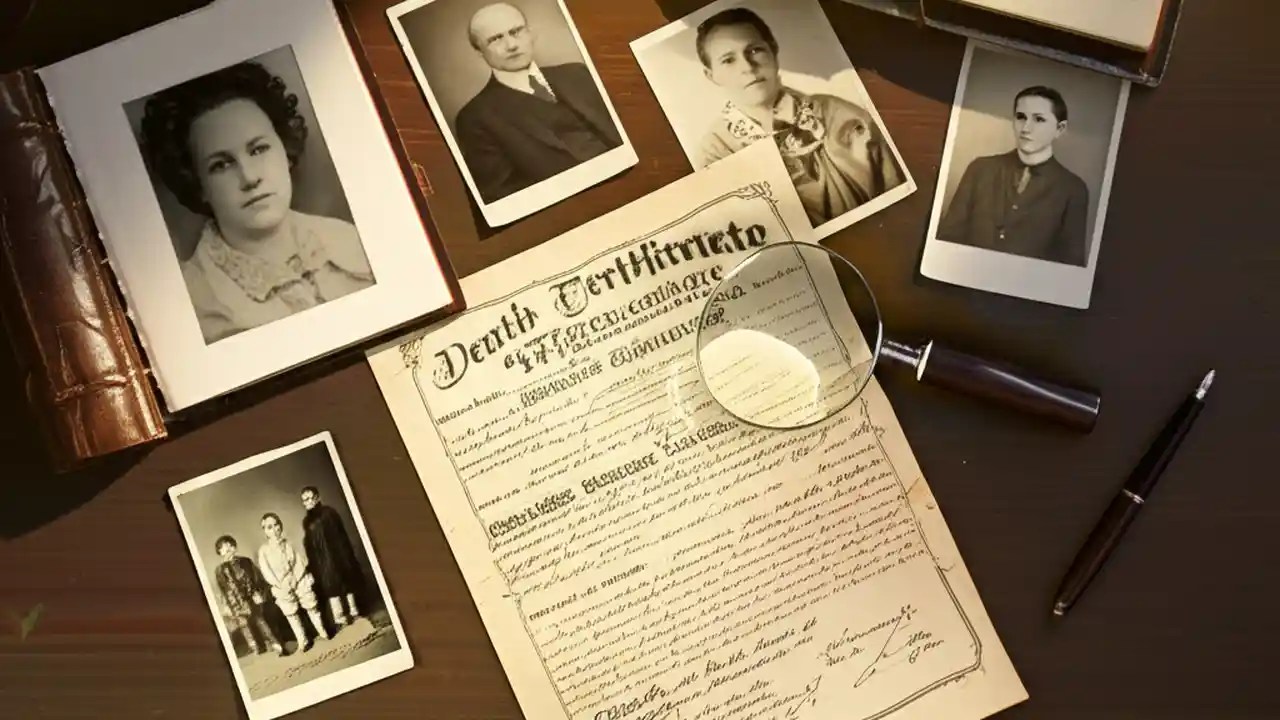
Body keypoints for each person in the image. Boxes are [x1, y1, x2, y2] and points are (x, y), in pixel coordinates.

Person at [140, 61, 375, 344]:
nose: (250, 178)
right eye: (221, 165)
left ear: (285, 150)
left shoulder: (351, 240)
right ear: (198, 185)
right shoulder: (194, 307)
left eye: (258, 149)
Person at [694, 8, 905, 227]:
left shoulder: (843, 116)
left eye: (755, 50)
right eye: (728, 60)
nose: (748, 67)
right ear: (711, 75)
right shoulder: (715, 153)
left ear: (773, 50)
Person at [454, 2, 622, 203]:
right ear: (479, 52)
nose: (511, 45)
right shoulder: (475, 118)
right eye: (496, 39)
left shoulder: (577, 73)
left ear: (530, 33)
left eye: (516, 31)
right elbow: (504, 197)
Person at [937, 86, 1090, 266]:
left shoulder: (1073, 189)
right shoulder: (980, 169)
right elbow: (948, 238)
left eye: (1039, 119)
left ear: (1060, 129)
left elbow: (1069, 265)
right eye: (1020, 117)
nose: (1026, 128)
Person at [257, 512, 330, 652]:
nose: (275, 529)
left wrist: (296, 579)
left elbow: (300, 561)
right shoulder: (264, 551)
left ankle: (323, 633)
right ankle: (303, 641)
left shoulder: (290, 543)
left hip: (298, 578)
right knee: (291, 613)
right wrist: (280, 584)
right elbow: (266, 572)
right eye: (270, 527)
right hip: (281, 585)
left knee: (311, 606)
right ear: (265, 531)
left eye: (276, 525)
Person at [300, 486, 364, 632]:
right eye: (305, 500)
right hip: (322, 562)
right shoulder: (307, 522)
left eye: (311, 498)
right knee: (331, 588)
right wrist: (314, 565)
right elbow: (310, 545)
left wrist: (345, 557)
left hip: (338, 556)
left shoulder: (329, 513)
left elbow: (340, 537)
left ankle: (354, 612)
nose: (309, 502)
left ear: (317, 497)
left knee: (347, 583)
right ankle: (340, 619)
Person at [212, 535, 283, 657]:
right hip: (235, 602)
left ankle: (274, 643)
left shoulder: (246, 561)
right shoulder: (219, 570)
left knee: (260, 620)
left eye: (230, 545)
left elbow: (256, 578)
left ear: (234, 547)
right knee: (244, 625)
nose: (227, 548)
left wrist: (259, 592)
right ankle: (255, 647)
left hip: (251, 597)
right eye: (223, 547)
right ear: (219, 551)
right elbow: (222, 590)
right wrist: (226, 605)